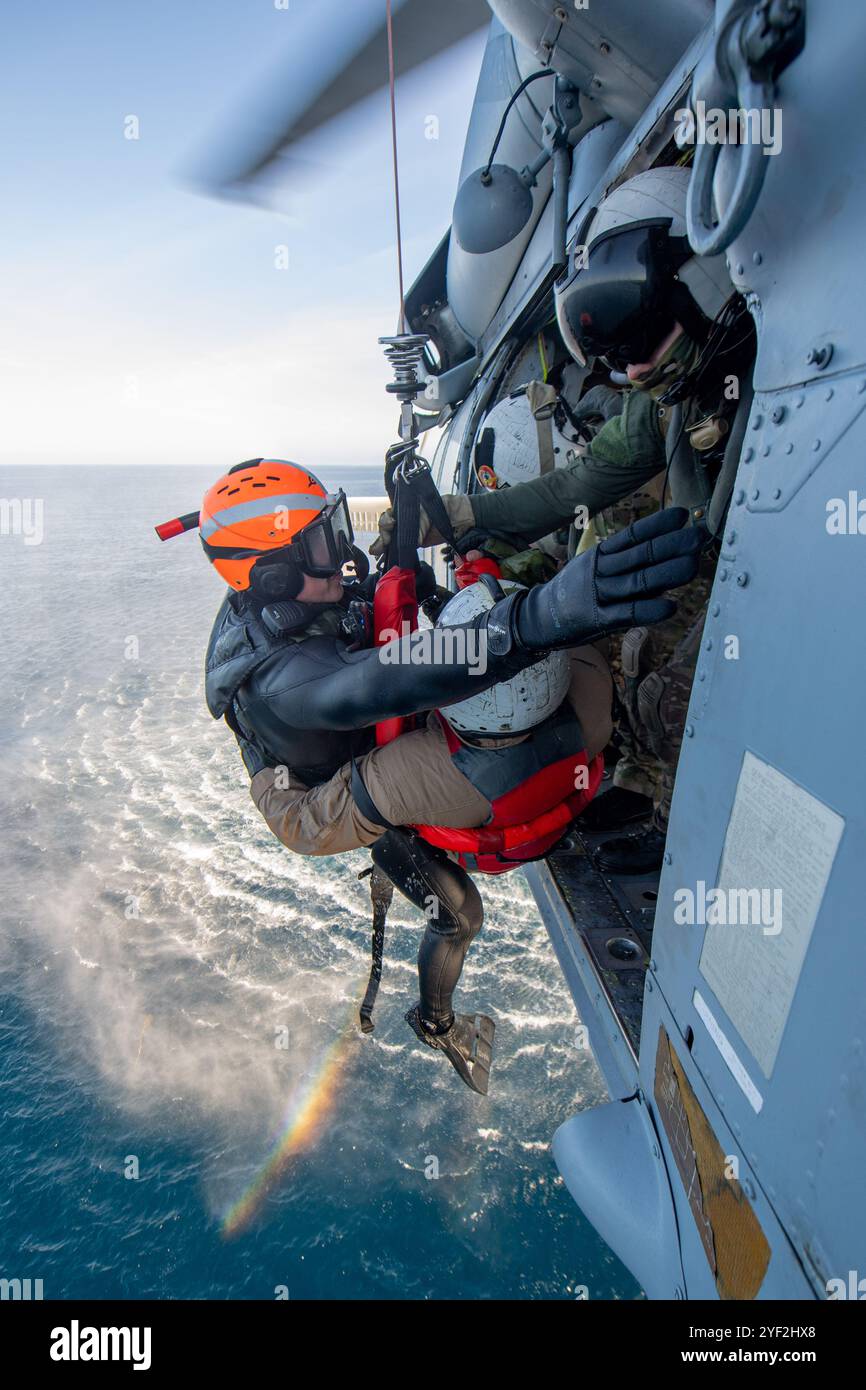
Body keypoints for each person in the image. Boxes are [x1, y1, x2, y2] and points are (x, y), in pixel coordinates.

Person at [160, 457, 701, 1092]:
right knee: (462, 905)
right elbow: (382, 679)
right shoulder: (286, 681)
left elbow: (391, 641)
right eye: (321, 543)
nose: (340, 552)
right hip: (310, 799)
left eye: (335, 528)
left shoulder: (300, 597)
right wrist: (531, 619)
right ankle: (436, 1022)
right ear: (274, 576)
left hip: (348, 731)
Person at [377, 166, 757, 874]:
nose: (636, 372)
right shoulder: (665, 402)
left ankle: (692, 827)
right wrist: (464, 515)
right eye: (620, 360)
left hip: (771, 582)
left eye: (643, 340)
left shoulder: (770, 373)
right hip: (707, 559)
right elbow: (574, 486)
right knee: (630, 653)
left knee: (671, 696)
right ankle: (652, 789)